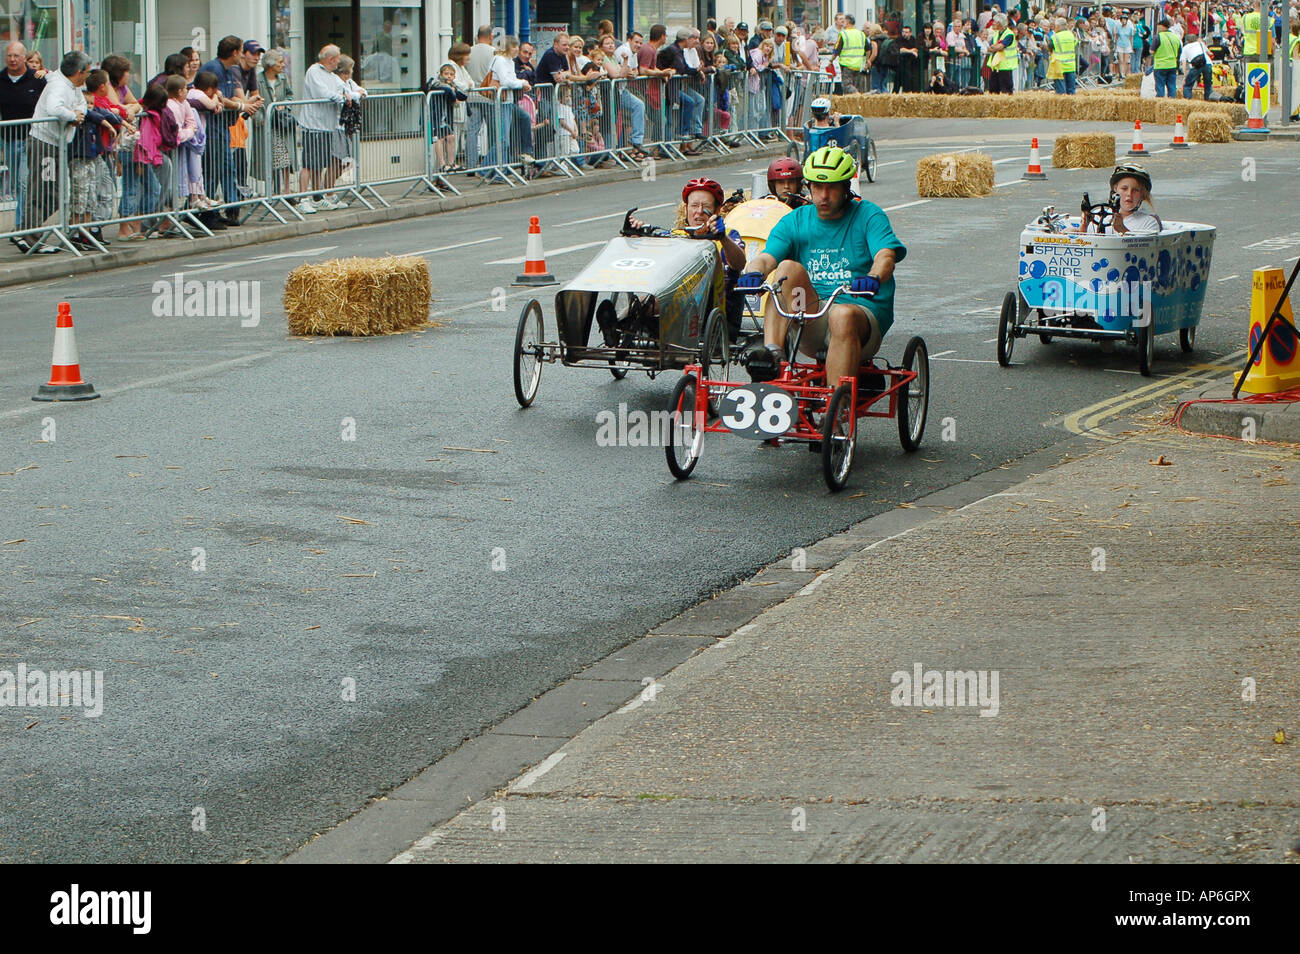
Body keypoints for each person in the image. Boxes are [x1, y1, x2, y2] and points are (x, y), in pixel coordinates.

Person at [737, 146, 906, 388]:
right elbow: (767, 257)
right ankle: (772, 355)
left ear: (846, 188)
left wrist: (873, 277)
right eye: (817, 187)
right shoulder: (796, 220)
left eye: (832, 187)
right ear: (809, 187)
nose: (823, 196)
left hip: (860, 314)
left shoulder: (869, 215)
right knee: (786, 269)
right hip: (812, 315)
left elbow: (885, 256)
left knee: (842, 314)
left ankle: (837, 408)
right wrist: (753, 272)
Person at [629, 177, 747, 339]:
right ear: (686, 209)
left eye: (705, 207)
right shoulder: (673, 236)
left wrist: (722, 239)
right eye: (694, 206)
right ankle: (620, 323)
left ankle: (638, 314)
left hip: (715, 311)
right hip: (673, 306)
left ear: (717, 210)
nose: (699, 211)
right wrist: (636, 237)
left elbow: (739, 264)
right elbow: (647, 264)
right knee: (649, 297)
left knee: (708, 253)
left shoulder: (728, 235)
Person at [25, 51, 90, 253]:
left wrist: (78, 113)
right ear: (79, 72)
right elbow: (54, 108)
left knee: (57, 192)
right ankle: (28, 235)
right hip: (44, 143)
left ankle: (27, 232)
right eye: (87, 72)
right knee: (45, 192)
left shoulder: (72, 86)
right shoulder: (58, 86)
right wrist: (73, 115)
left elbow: (84, 104)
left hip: (57, 144)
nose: (88, 77)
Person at [1, 42, 45, 244]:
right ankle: (24, 225)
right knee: (19, 185)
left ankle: (22, 226)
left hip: (31, 139)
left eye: (16, 56)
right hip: (9, 139)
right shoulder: (1, 79)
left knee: (25, 182)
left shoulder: (36, 79)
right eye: (9, 56)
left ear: (24, 57)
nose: (12, 60)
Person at [299, 45, 352, 209]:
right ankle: (302, 199)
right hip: (313, 125)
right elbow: (322, 93)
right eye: (337, 59)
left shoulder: (330, 75)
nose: (338, 63)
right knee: (309, 164)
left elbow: (346, 85)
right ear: (331, 59)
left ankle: (317, 197)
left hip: (327, 126)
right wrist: (343, 98)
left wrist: (353, 93)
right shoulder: (314, 71)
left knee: (320, 164)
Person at [1076, 163, 1161, 235]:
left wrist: (1122, 230)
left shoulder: (1148, 223)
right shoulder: (1097, 216)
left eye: (1135, 190)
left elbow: (1143, 249)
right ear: (1115, 190)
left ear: (1142, 195)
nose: (1129, 194)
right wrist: (1084, 226)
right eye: (1124, 189)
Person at [988, 14, 1019, 93]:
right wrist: (994, 47)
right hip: (995, 66)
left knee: (1006, 90)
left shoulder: (1009, 34)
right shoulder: (996, 34)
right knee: (993, 90)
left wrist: (994, 47)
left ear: (1000, 23)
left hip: (1005, 66)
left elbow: (1000, 47)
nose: (993, 23)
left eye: (995, 21)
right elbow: (990, 46)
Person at [1151, 19, 1183, 97]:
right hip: (1172, 65)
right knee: (1172, 86)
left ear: (1162, 27)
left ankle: (1161, 102)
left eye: (1159, 27)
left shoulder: (1158, 37)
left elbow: (1152, 51)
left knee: (1160, 87)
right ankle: (1172, 102)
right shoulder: (1176, 37)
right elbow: (1180, 51)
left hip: (1160, 65)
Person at [1049, 17, 1079, 94]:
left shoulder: (1055, 37)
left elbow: (1050, 47)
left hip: (1059, 66)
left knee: (1061, 93)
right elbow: (1075, 43)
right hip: (1071, 66)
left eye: (1055, 26)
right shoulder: (1071, 35)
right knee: (1071, 91)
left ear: (1058, 26)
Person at [1180, 31, 1214, 97]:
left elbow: (1183, 63)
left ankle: (1188, 100)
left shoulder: (1185, 48)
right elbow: (1209, 53)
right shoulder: (1200, 44)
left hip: (1196, 65)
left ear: (1187, 41)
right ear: (1196, 39)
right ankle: (1208, 99)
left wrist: (1185, 76)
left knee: (1188, 85)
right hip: (1207, 63)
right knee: (1208, 85)